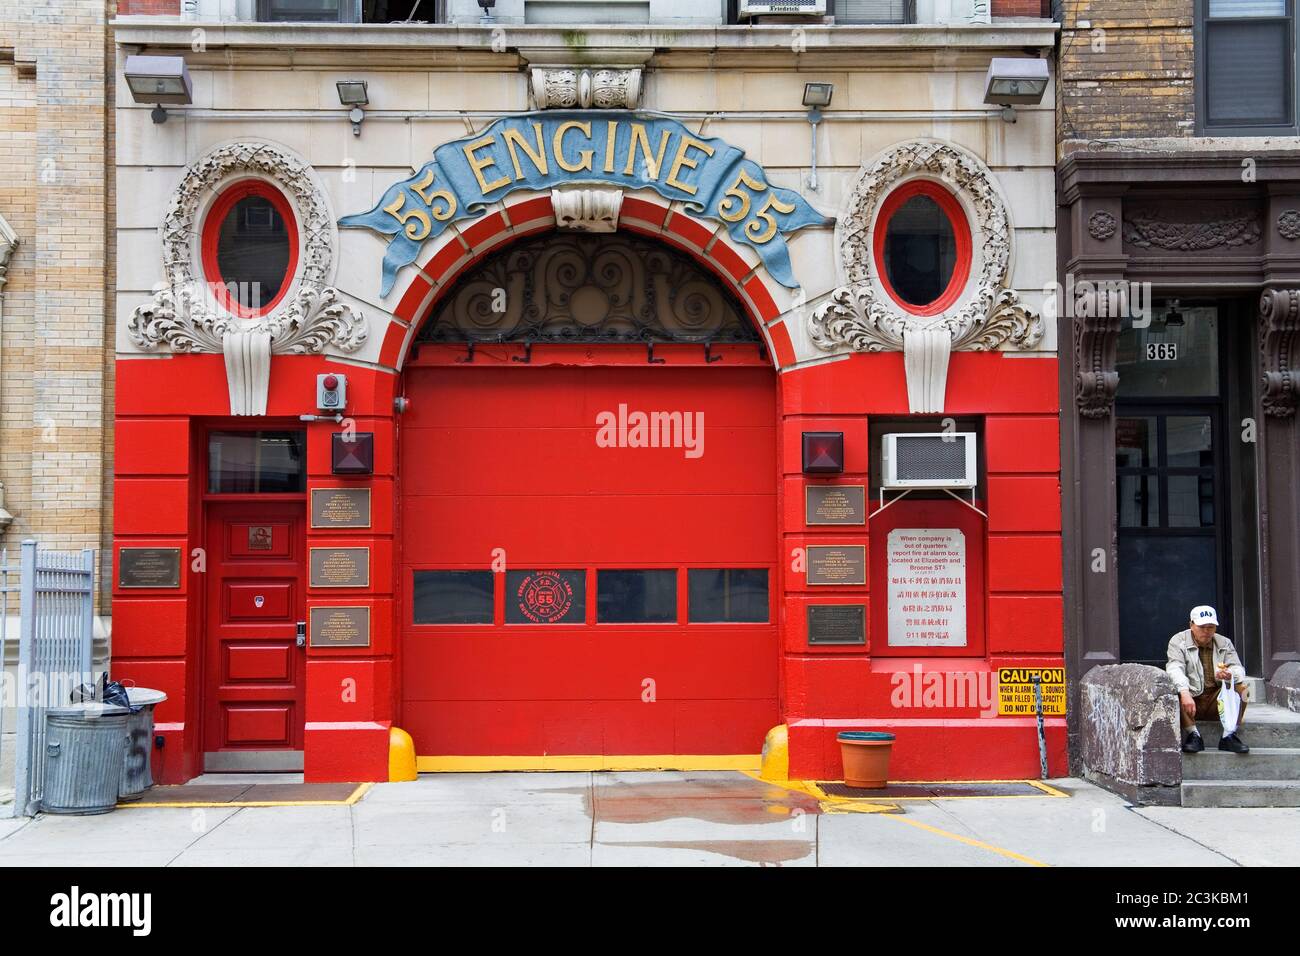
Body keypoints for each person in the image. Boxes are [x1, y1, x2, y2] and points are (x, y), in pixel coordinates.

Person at [1165, 605, 1249, 754]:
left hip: (1216, 699)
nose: (1206, 631)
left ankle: (1228, 736)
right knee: (1175, 688)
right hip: (1192, 697)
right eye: (1202, 626)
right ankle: (1193, 734)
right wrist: (1184, 692)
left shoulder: (1224, 642)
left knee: (1243, 690)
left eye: (1211, 627)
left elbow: (1238, 669)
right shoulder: (1178, 641)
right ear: (1191, 625)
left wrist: (1230, 674)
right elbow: (1174, 669)